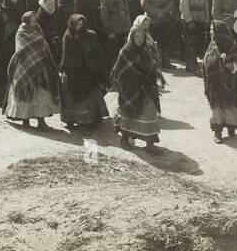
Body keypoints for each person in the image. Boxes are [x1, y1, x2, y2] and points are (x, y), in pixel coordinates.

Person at [110, 17, 162, 150]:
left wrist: (151, 80)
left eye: (141, 37)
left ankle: (149, 143)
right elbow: (119, 72)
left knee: (149, 112)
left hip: (145, 90)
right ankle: (125, 138)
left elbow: (151, 69)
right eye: (137, 36)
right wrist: (133, 80)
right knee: (129, 113)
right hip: (129, 89)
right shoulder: (125, 51)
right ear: (132, 37)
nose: (139, 39)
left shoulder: (145, 51)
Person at [4, 11, 61, 130]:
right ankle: (25, 120)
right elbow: (21, 49)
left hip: (40, 67)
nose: (34, 23)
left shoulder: (38, 30)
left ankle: (41, 121)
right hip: (24, 66)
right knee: (26, 93)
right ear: (26, 21)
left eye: (35, 21)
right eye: (32, 21)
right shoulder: (21, 31)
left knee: (41, 93)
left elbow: (44, 46)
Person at [202, 22, 237, 143]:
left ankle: (229, 128)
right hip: (217, 82)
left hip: (228, 81)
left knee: (227, 105)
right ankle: (219, 131)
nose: (211, 32)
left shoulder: (227, 43)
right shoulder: (212, 43)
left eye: (212, 29)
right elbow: (208, 61)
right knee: (220, 106)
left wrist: (227, 63)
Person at [59, 13, 109, 128]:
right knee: (72, 91)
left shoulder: (90, 35)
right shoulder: (68, 36)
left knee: (91, 93)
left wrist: (93, 67)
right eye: (77, 25)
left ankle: (92, 119)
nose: (79, 27)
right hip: (73, 71)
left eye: (81, 25)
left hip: (88, 70)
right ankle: (72, 119)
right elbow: (67, 55)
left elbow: (96, 53)